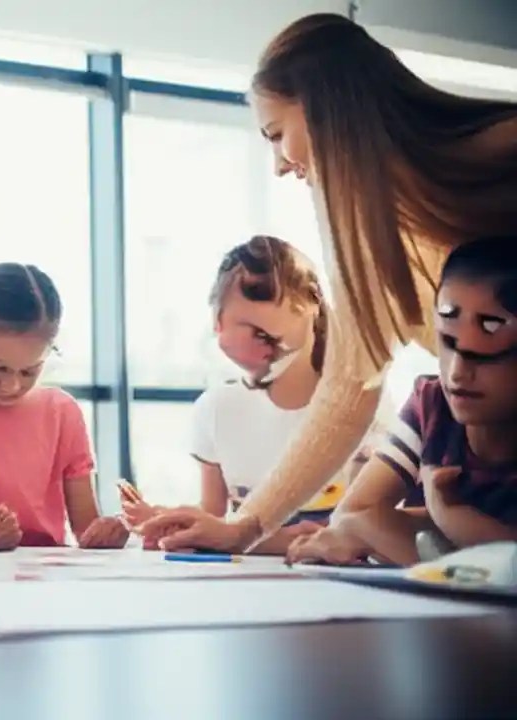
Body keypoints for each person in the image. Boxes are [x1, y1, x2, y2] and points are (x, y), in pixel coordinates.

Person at [141, 13, 517, 553]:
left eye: (276, 134)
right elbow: (347, 389)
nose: (278, 165)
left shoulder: (503, 154)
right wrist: (246, 526)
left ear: (325, 108)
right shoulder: (373, 241)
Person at [287, 238, 517, 566]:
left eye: (486, 353)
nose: (457, 373)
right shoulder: (432, 406)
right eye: (448, 342)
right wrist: (419, 522)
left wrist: (449, 517)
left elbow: (505, 572)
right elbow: (354, 513)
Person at [123, 236, 351, 553]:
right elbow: (213, 511)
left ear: (312, 311)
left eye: (268, 337)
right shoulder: (216, 409)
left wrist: (239, 538)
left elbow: (359, 528)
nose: (260, 350)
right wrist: (169, 519)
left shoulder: (359, 407)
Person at [0, 263, 128, 550]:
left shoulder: (63, 411)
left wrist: (110, 530)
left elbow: (86, 528)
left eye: (30, 371)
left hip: (49, 573)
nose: (12, 385)